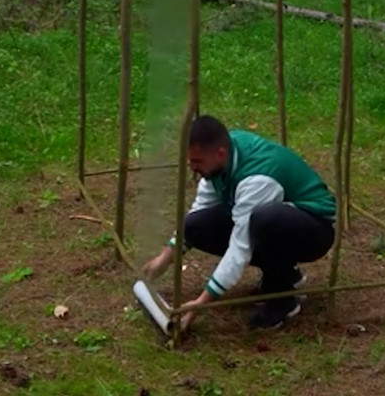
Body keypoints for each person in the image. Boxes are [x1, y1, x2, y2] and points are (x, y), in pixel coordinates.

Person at [141, 115, 336, 331]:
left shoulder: (257, 180)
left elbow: (240, 247)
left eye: (197, 162)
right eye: (190, 160)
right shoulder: (221, 158)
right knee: (195, 224)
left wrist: (201, 302)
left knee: (264, 220)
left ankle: (283, 298)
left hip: (313, 228)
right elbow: (200, 211)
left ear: (220, 153)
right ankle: (286, 274)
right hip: (277, 217)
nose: (192, 168)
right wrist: (165, 258)